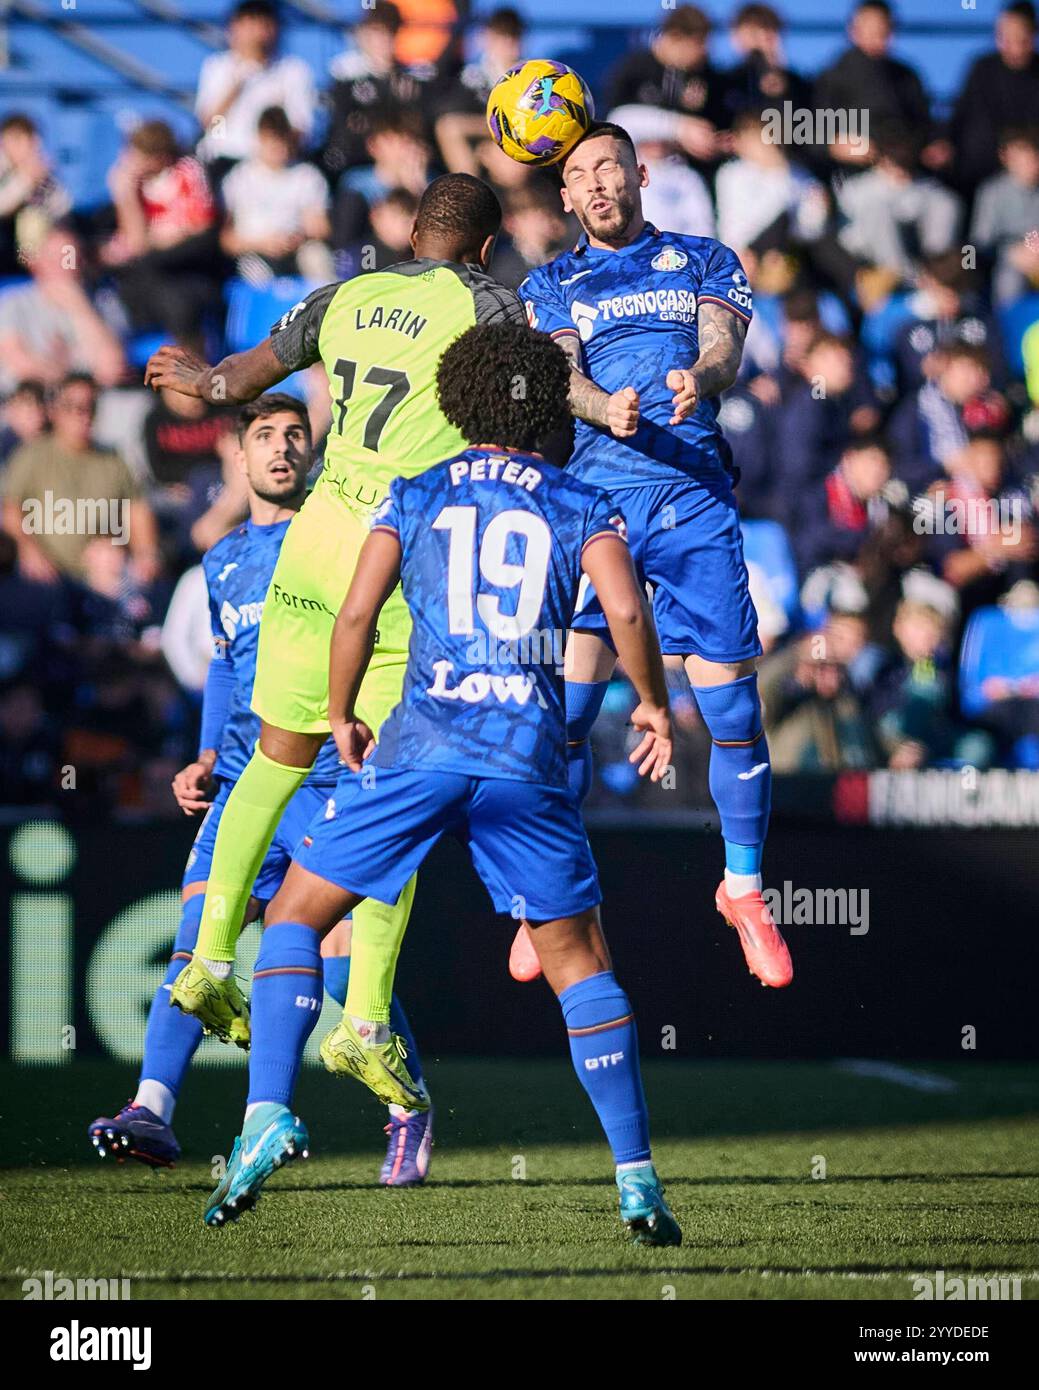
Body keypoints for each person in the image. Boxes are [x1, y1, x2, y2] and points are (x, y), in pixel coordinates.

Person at [204, 322, 681, 1248]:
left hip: (418, 751)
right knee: (579, 965)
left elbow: (355, 611)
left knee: (294, 918)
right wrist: (653, 706)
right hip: (525, 762)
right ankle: (634, 1178)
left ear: (455, 401)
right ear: (546, 407)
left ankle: (266, 1112)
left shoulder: (412, 491)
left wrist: (341, 712)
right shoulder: (582, 501)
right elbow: (625, 606)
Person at [143, 174, 568, 1097]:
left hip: (313, 542)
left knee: (275, 755)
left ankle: (208, 959)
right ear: (485, 248)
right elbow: (543, 400)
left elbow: (234, 383)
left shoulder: (345, 295)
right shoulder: (490, 300)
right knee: (389, 792)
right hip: (398, 556)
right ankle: (365, 1021)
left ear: (411, 232)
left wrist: (196, 380)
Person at [87, 395, 433, 1186]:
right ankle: (152, 1110)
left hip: (324, 775)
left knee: (341, 962)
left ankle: (408, 1111)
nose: (281, 449)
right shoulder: (222, 560)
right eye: (265, 437)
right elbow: (222, 660)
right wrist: (205, 753)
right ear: (235, 459)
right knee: (198, 939)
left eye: (294, 436)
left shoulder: (336, 541)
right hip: (245, 779)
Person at [517, 121, 792, 990]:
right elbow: (561, 374)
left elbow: (725, 348)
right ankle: (545, 897)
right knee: (559, 714)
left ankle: (742, 888)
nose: (596, 183)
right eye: (578, 175)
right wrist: (602, 407)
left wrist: (696, 380)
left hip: (691, 500)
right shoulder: (550, 282)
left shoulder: (704, 257)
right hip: (594, 508)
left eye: (608, 166)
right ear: (563, 197)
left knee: (732, 712)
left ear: (639, 174)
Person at [2, 374, 159, 587]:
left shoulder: (113, 459)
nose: (82, 414)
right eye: (73, 406)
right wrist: (29, 550)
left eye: (90, 406)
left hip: (105, 575)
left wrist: (145, 555)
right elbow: (11, 509)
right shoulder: (31, 456)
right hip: (49, 577)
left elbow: (137, 509)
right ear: (54, 410)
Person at [102, 121, 221, 342]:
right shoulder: (131, 183)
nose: (132, 162)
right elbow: (136, 242)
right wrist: (126, 195)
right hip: (147, 276)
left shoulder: (187, 172)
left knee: (174, 297)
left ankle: (192, 366)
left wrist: (151, 241)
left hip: (186, 272)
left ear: (160, 158)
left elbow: (198, 230)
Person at [196, 0, 316, 176]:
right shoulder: (217, 67)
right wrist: (236, 86)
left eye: (264, 24)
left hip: (274, 165)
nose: (257, 33)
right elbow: (212, 127)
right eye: (248, 24)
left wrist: (276, 139)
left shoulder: (293, 70)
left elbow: (302, 128)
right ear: (232, 28)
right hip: (224, 160)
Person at [0, 228, 125, 396]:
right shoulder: (12, 303)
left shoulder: (104, 302)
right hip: (32, 401)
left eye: (71, 258)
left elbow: (112, 370)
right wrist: (67, 385)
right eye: (56, 258)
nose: (65, 266)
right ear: (36, 263)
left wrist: (80, 308)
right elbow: (18, 364)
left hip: (91, 402)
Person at [221, 105, 332, 285]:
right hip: (252, 252)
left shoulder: (307, 176)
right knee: (257, 274)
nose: (278, 150)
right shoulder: (238, 179)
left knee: (317, 257)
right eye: (272, 143)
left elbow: (320, 227)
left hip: (297, 250)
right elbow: (227, 240)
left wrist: (296, 238)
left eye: (282, 143)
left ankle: (328, 309)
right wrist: (261, 244)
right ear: (260, 139)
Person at [950, 1, 1039, 195]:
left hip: (1030, 167)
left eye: (1019, 37)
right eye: (1004, 36)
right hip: (981, 165)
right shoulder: (982, 68)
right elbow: (960, 115)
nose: (1011, 44)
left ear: (1032, 35)